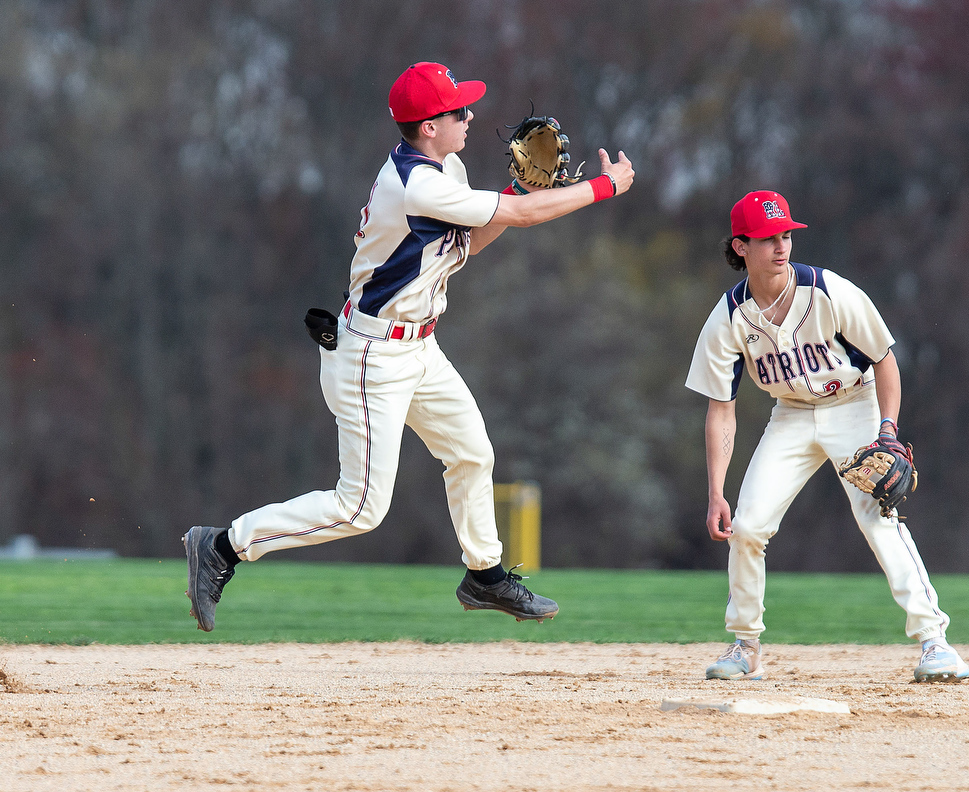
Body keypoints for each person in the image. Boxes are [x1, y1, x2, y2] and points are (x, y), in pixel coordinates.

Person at [183, 62, 635, 631]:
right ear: (427, 126)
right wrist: (602, 187)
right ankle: (224, 546)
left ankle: (485, 575)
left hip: (419, 347)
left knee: (472, 452)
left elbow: (467, 243)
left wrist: (518, 190)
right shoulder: (415, 184)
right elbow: (517, 218)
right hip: (373, 357)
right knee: (360, 509)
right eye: (457, 111)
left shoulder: (446, 166)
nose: (470, 116)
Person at [685, 190, 969, 683]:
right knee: (748, 526)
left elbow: (884, 359)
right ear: (740, 246)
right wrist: (715, 492)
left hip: (854, 406)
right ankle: (745, 646)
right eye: (768, 238)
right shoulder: (728, 318)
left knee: (878, 518)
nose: (781, 245)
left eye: (786, 235)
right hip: (791, 414)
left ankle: (934, 642)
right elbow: (721, 410)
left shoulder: (828, 291)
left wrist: (887, 431)